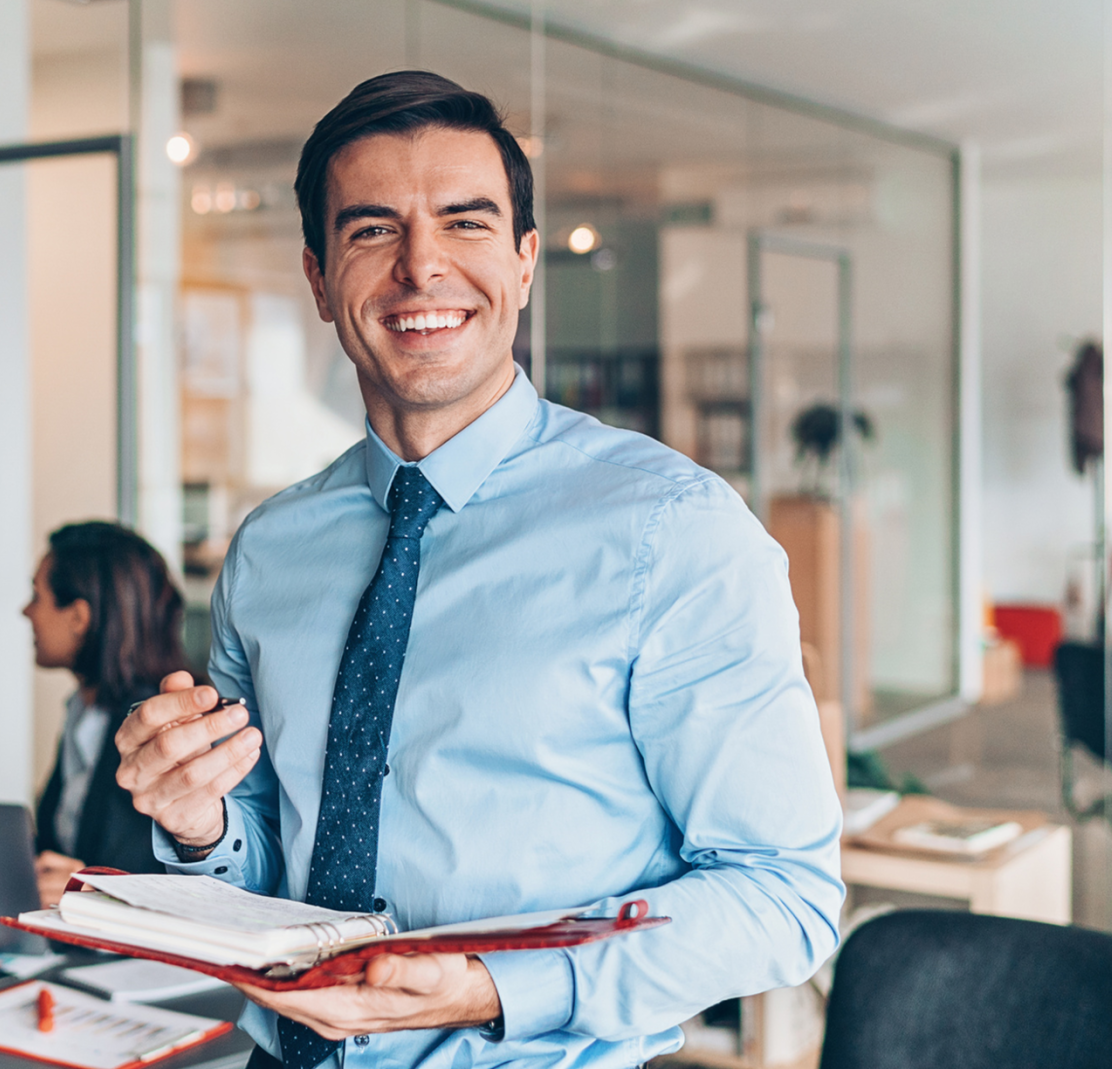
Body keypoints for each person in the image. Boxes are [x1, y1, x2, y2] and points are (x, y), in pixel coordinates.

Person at [115, 72, 843, 1069]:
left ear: (524, 261)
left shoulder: (673, 533)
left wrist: (494, 988)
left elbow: (781, 895)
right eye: (372, 230)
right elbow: (268, 849)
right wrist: (201, 827)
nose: (422, 268)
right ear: (319, 280)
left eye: (464, 224)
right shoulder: (269, 549)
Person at [23, 522, 190, 906]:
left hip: (135, 957)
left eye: (37, 595)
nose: (26, 611)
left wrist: (97, 891)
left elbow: (179, 885)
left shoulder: (163, 728)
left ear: (79, 617)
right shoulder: (81, 713)